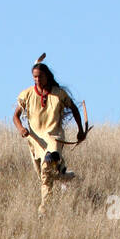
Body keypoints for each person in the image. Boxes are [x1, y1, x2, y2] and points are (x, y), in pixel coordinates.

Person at [13, 58, 85, 215]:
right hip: (35, 140)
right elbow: (16, 116)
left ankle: (44, 209)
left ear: (47, 76)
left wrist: (80, 130)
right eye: (35, 77)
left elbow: (74, 108)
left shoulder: (59, 94)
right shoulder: (27, 94)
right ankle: (66, 176)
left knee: (47, 169)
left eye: (40, 76)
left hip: (54, 137)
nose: (37, 79)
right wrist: (21, 129)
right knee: (45, 176)